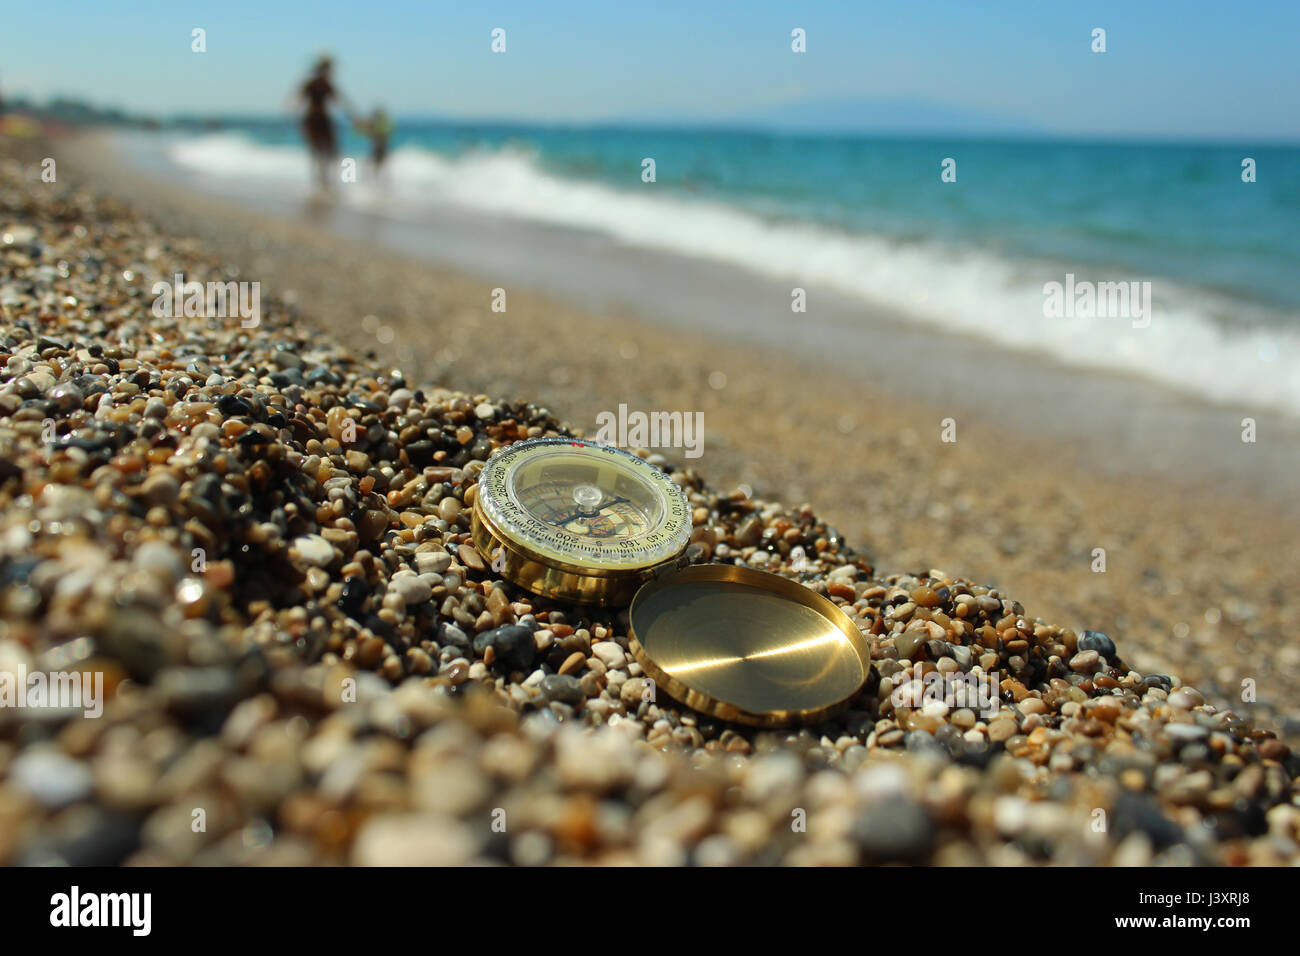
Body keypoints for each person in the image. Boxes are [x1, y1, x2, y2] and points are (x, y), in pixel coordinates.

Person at [298, 56, 347, 190]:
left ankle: (322, 180)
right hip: (319, 119)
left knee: (319, 151)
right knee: (326, 151)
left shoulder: (313, 83)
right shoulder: (323, 84)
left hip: (312, 119)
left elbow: (297, 101)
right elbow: (340, 101)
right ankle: (323, 180)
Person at [355, 107, 394, 181]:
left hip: (379, 147)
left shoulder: (378, 123)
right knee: (381, 164)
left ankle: (374, 180)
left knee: (376, 164)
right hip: (382, 146)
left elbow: (368, 131)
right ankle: (381, 180)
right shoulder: (383, 123)